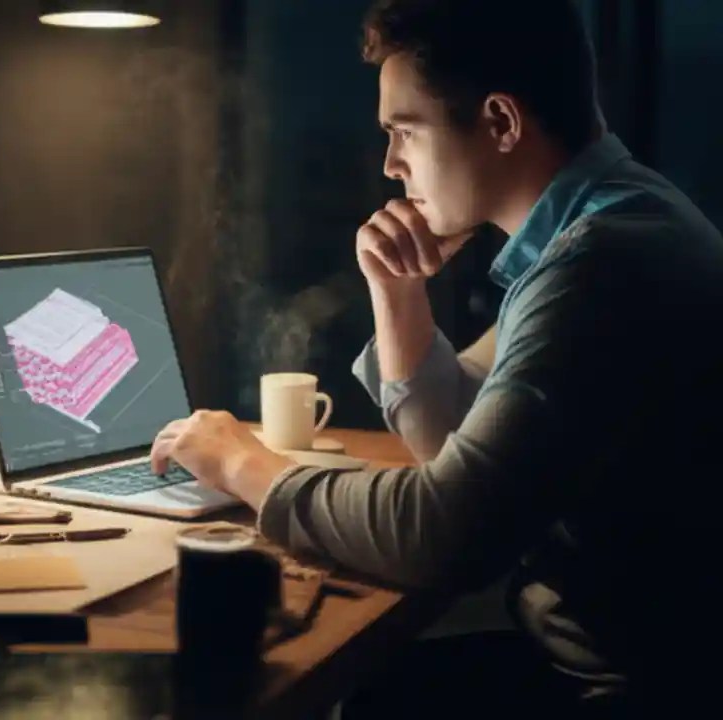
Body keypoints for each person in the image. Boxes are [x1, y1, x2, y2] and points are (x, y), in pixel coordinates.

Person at [150, 0, 723, 717]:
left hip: (635, 690)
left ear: (502, 123)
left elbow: (446, 533)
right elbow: (450, 440)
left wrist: (242, 463)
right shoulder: (611, 223)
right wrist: (396, 293)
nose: (391, 164)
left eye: (404, 131)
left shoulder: (603, 266)